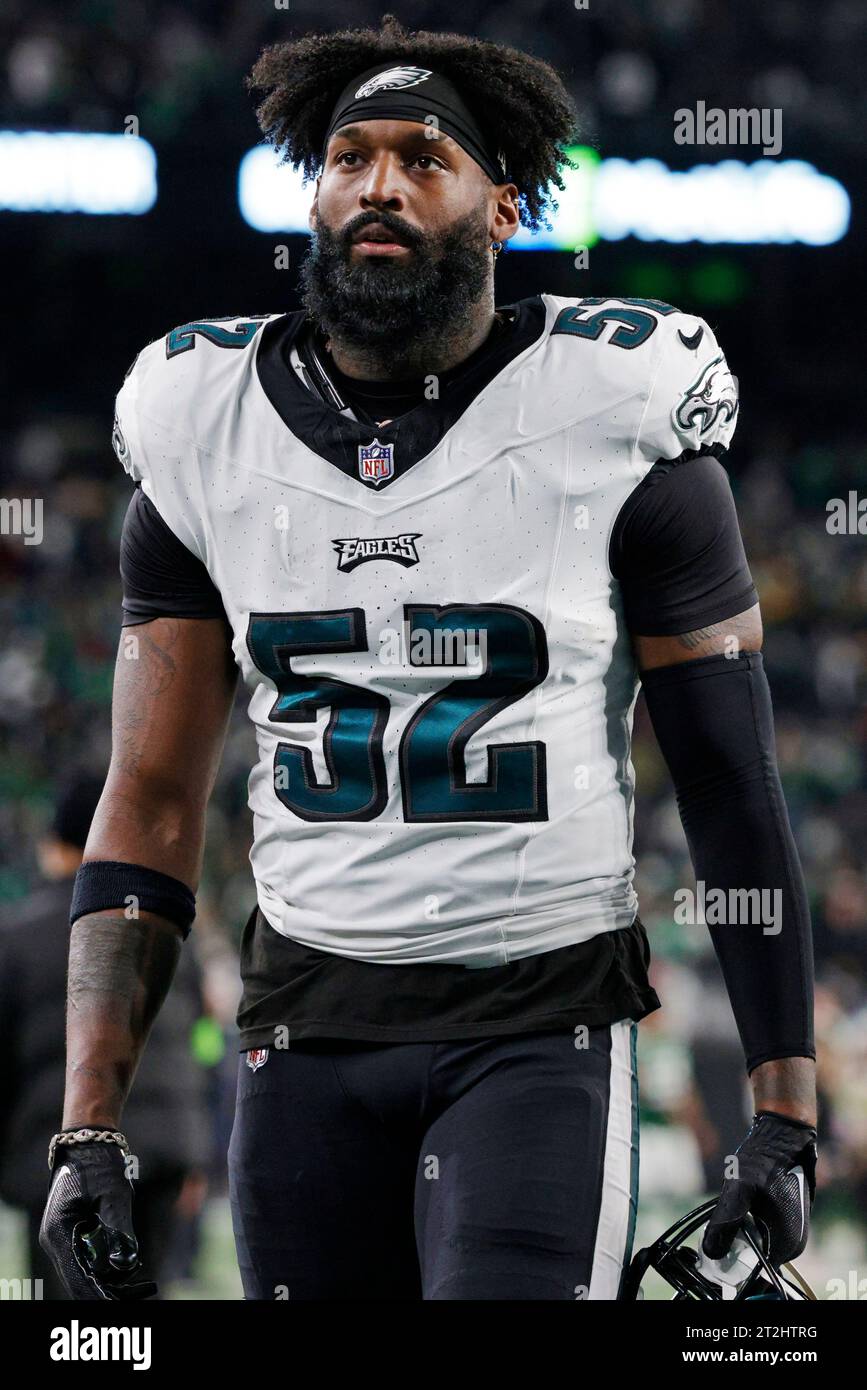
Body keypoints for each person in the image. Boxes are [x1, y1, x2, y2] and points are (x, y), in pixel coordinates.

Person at [39, 16, 816, 1301]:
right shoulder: (198, 423)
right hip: (304, 1030)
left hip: (540, 1024)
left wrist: (783, 1107)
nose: (380, 183)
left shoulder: (614, 406)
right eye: (349, 155)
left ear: (503, 206)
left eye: (424, 156)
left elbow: (735, 784)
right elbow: (155, 799)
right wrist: (88, 1124)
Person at [0, 775, 211, 1298]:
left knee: (71, 1321)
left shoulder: (21, 938)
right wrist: (196, 1147)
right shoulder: (171, 936)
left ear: (58, 844)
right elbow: (201, 1044)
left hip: (61, 1156)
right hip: (164, 1150)